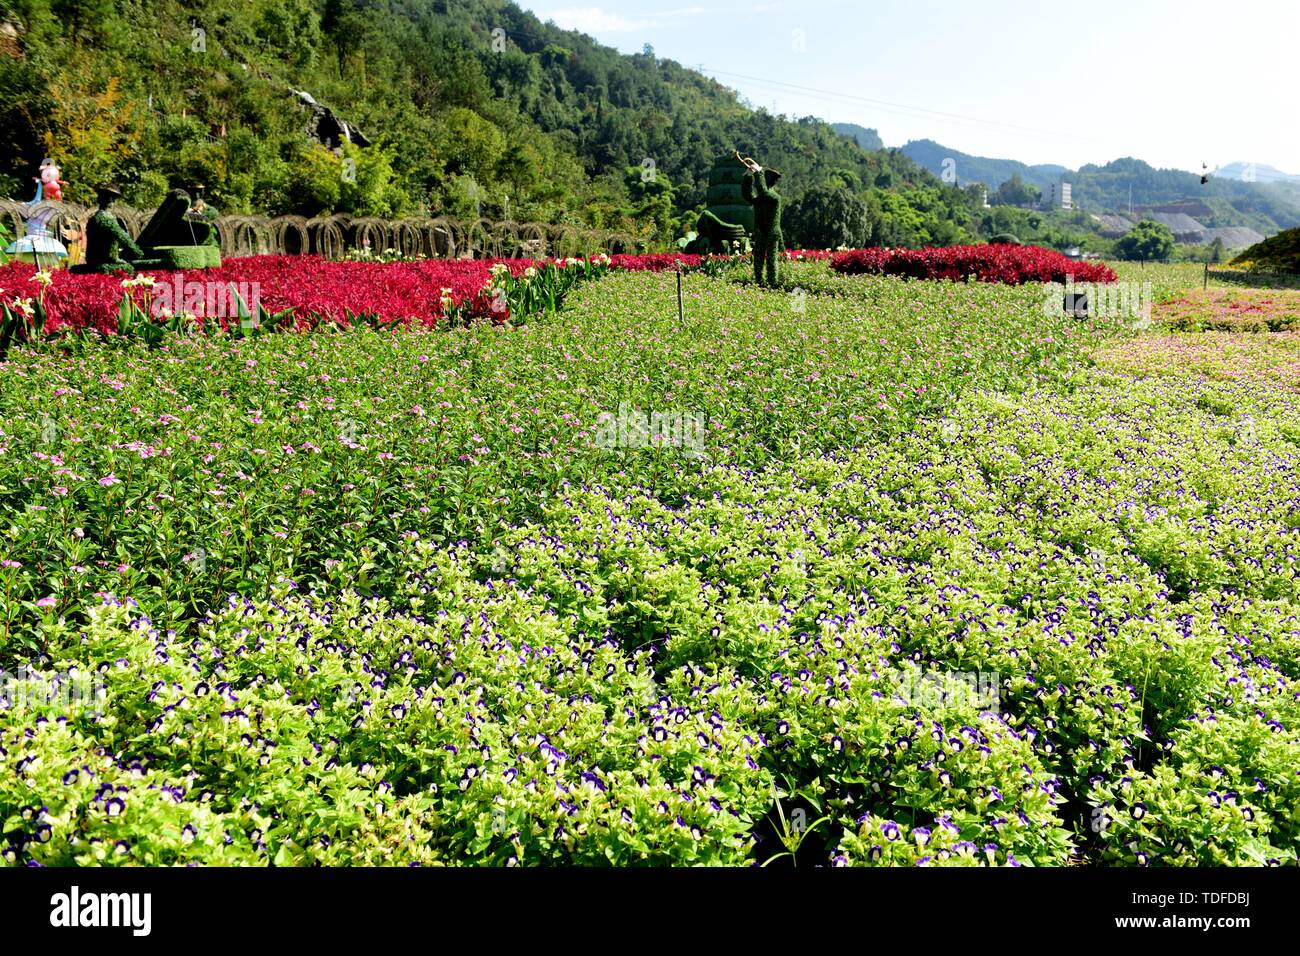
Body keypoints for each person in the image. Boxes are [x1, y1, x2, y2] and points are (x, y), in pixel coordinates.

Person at [737, 152, 783, 287]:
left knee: (771, 260)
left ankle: (772, 283)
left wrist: (758, 173)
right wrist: (747, 177)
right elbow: (747, 195)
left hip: (771, 233)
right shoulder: (761, 199)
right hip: (761, 232)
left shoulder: (774, 198)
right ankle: (759, 282)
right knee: (758, 260)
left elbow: (762, 191)